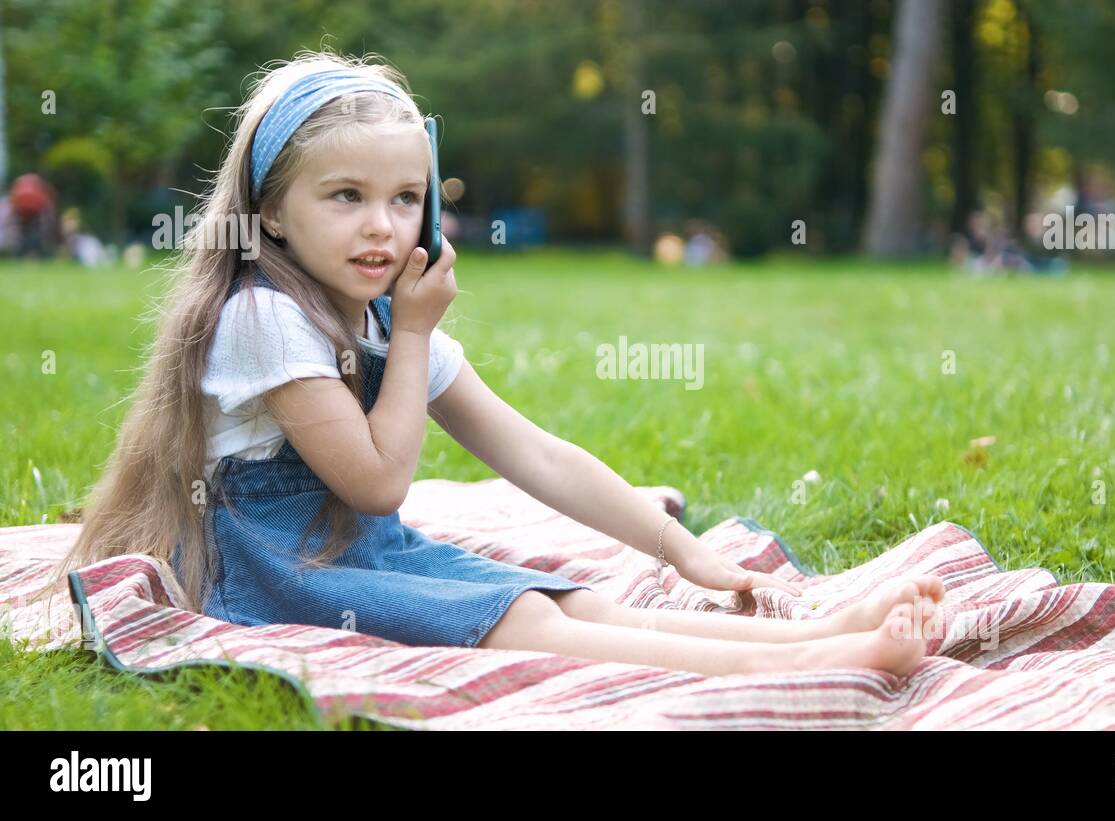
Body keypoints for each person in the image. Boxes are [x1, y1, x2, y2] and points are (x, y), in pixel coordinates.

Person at [35, 51, 942, 678]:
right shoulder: (265, 318)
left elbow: (534, 452)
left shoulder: (388, 313)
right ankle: (808, 665)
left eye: (405, 199)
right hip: (266, 564)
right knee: (527, 625)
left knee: (561, 598)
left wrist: (682, 550)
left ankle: (819, 628)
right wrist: (419, 335)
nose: (383, 227)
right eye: (345, 197)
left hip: (351, 547)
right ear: (271, 213)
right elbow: (378, 481)